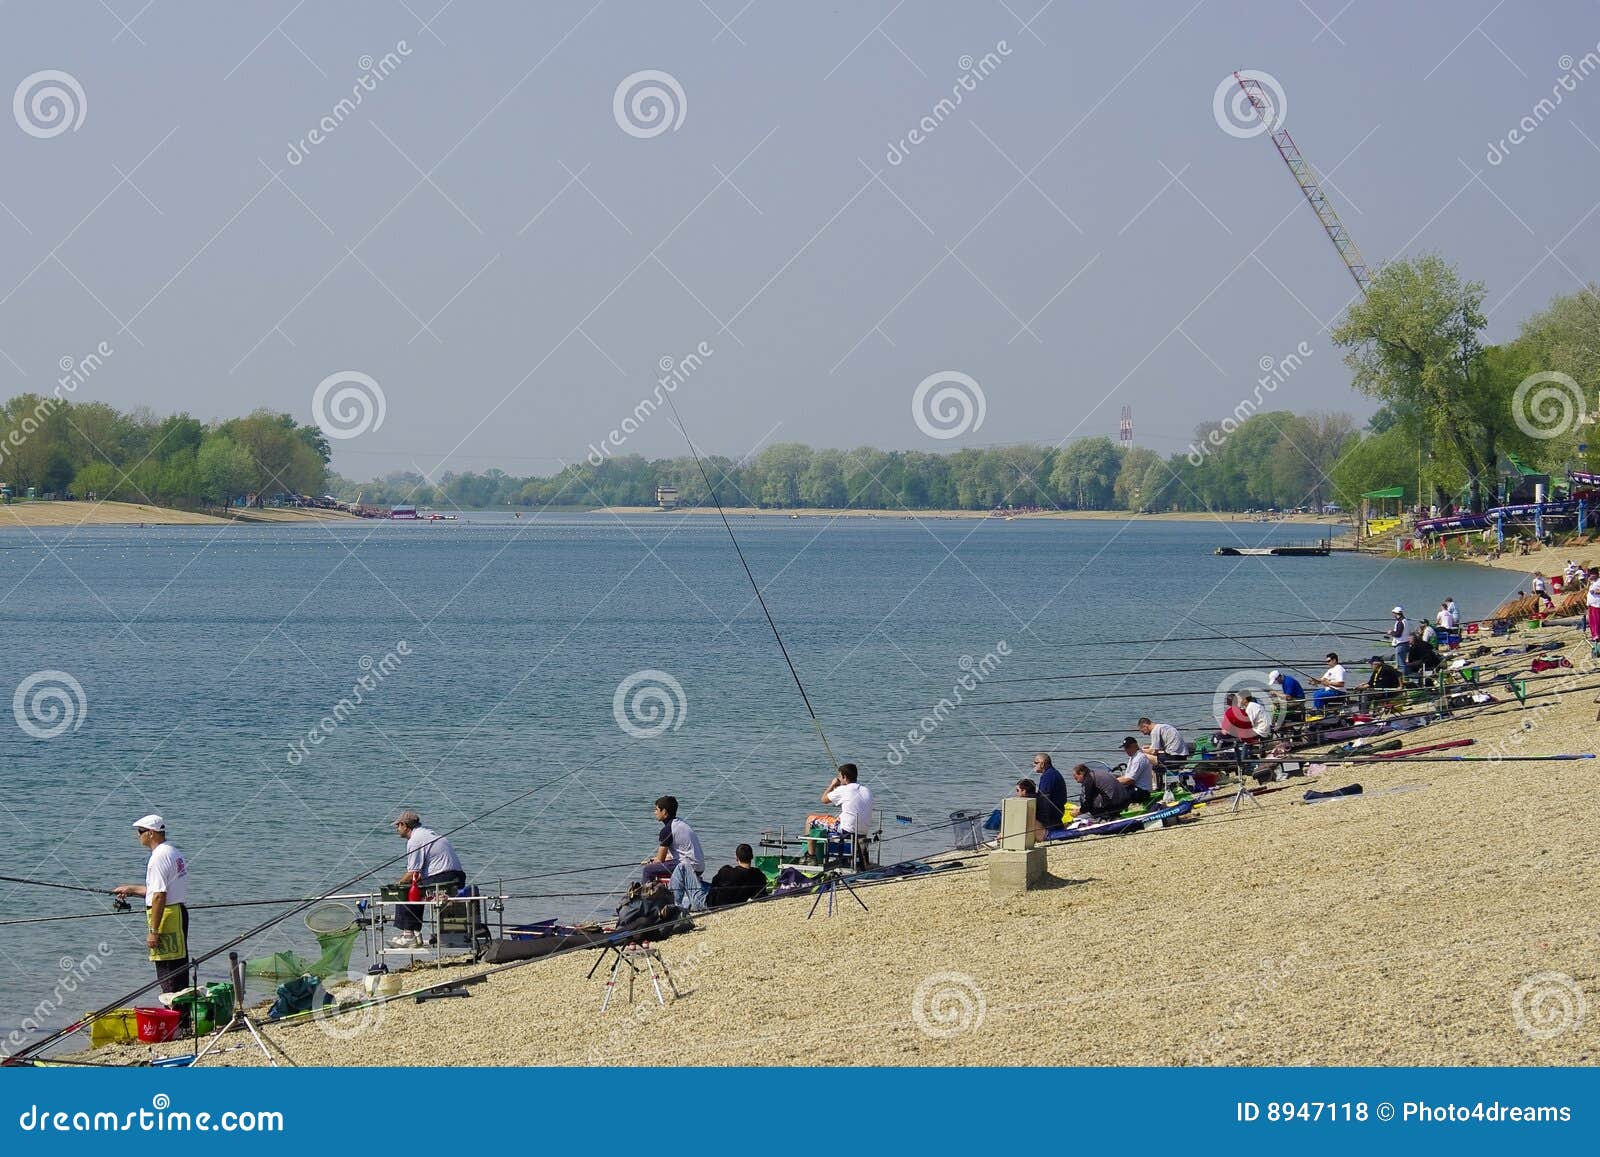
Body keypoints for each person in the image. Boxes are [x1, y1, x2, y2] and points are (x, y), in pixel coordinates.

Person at [112, 815, 190, 998]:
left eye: (140, 832)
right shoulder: (172, 852)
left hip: (166, 918)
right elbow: (160, 890)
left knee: (168, 974)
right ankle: (183, 1020)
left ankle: (175, 1021)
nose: (138, 836)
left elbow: (159, 896)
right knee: (179, 969)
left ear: (151, 833)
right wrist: (131, 889)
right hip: (177, 913)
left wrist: (153, 931)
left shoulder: (158, 858)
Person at [390, 810, 466, 948]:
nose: (396, 829)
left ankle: (408, 935)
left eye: (398, 825)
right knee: (416, 887)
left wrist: (398, 883)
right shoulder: (427, 833)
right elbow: (417, 875)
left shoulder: (414, 840)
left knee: (404, 891)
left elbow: (413, 872)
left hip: (443, 877)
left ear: (404, 825)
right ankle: (416, 933)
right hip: (457, 877)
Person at [643, 795, 706, 911]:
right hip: (697, 864)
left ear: (664, 812)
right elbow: (675, 854)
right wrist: (654, 860)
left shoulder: (667, 830)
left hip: (687, 866)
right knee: (654, 865)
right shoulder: (681, 823)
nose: (654, 812)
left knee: (648, 870)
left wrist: (651, 862)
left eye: (657, 809)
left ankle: (647, 904)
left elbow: (660, 860)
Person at [821, 763, 875, 869]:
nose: (839, 779)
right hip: (863, 830)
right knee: (834, 819)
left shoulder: (843, 790)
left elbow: (823, 800)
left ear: (844, 777)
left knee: (811, 819)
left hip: (848, 830)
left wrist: (832, 785)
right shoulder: (866, 790)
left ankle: (811, 856)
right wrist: (839, 788)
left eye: (840, 776)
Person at [1032, 753, 1068, 829]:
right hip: (1058, 810)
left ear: (1042, 764)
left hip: (1052, 813)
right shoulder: (1053, 773)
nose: (1033, 764)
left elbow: (1044, 798)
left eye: (1035, 762)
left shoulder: (1048, 776)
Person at [1116, 736, 1156, 805]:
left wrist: (1114, 782)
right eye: (1125, 748)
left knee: (1115, 795)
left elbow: (1130, 780)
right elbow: (1126, 776)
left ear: (1135, 746)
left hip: (1141, 791)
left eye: (1128, 747)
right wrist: (1113, 779)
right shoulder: (1133, 757)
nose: (1126, 750)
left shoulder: (1139, 758)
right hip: (1135, 788)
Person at [1587, 573, 1600, 643]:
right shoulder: (1592, 582)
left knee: (1597, 621)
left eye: (1592, 574)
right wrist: (1588, 582)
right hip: (1591, 604)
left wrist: (1595, 591)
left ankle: (1597, 635)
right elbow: (1587, 589)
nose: (1590, 576)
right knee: (1592, 621)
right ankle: (1594, 636)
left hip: (1597, 604)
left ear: (1596, 574)